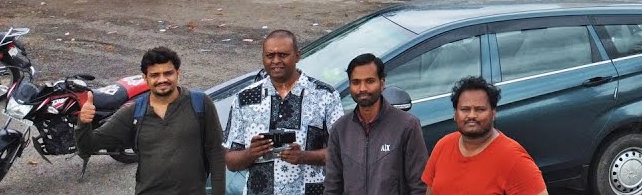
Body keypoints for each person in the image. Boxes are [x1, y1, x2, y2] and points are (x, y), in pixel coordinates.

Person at [75, 46, 225, 195]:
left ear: (178, 73)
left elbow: (216, 151)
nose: (162, 79)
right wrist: (83, 122)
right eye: (155, 75)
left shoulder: (200, 103)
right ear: (145, 78)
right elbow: (87, 148)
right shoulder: (133, 112)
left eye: (168, 73)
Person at [225, 29, 343, 195]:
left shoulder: (324, 95)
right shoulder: (244, 98)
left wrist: (304, 156)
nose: (276, 61)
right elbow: (230, 161)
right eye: (269, 55)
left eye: (283, 55)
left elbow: (342, 152)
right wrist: (250, 153)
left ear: (297, 56)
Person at [323, 53, 427, 195]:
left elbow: (419, 186)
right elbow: (332, 187)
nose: (362, 88)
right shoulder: (340, 129)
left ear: (382, 83)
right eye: (356, 82)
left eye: (370, 81)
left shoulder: (407, 125)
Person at [422, 76, 546, 195]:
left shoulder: (514, 158)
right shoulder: (443, 146)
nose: (471, 115)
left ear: (493, 113)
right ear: (455, 114)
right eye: (465, 109)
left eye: (480, 109)